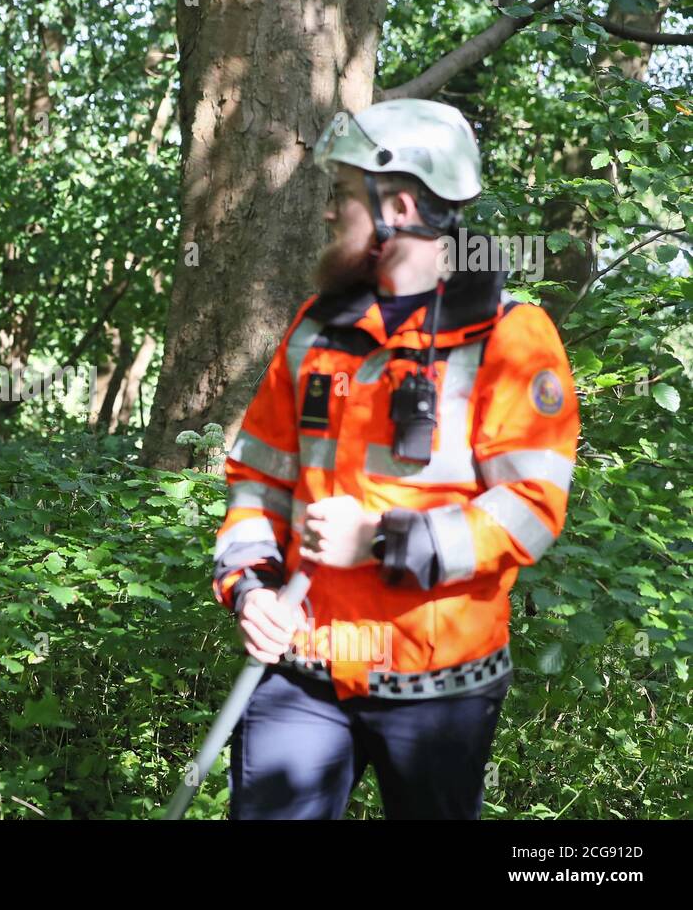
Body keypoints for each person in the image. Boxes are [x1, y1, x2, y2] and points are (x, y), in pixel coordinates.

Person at [213, 98, 580, 819]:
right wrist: (251, 588)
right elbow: (257, 479)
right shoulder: (313, 329)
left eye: (343, 195)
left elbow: (531, 513)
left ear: (402, 206)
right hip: (302, 668)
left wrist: (378, 539)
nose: (328, 213)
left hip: (439, 687)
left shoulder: (512, 337)